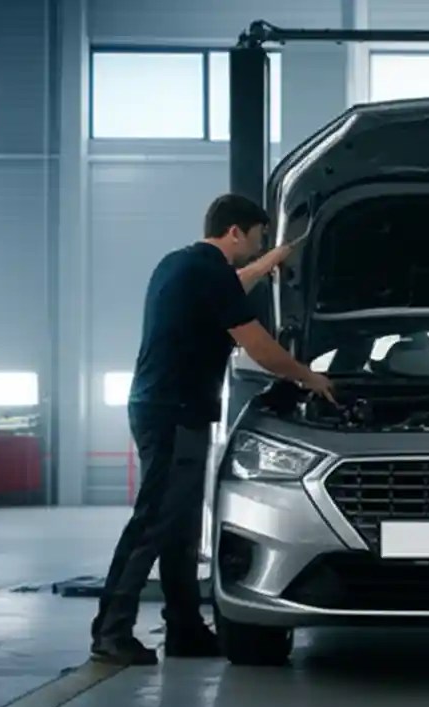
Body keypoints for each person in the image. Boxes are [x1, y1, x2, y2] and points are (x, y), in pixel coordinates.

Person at [90, 193, 336, 665]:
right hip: (174, 412)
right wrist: (309, 377)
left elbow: (233, 284)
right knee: (155, 520)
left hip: (164, 407)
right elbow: (261, 348)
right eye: (258, 237)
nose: (258, 244)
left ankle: (185, 630)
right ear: (236, 232)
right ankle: (110, 632)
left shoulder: (182, 264)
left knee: (180, 524)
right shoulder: (209, 272)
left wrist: (271, 261)